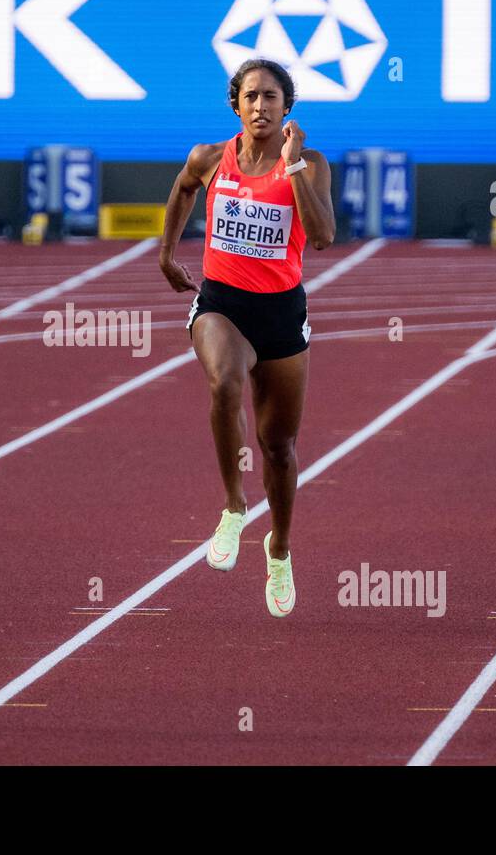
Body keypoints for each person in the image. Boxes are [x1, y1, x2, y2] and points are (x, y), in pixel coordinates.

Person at [159, 58, 336, 617]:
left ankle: (278, 548)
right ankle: (234, 507)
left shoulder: (308, 163)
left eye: (272, 97)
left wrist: (293, 170)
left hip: (282, 313)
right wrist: (166, 253)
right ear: (236, 104)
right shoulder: (209, 158)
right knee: (224, 382)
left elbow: (325, 237)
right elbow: (183, 188)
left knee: (278, 446)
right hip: (222, 304)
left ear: (288, 108)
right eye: (251, 96)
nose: (261, 106)